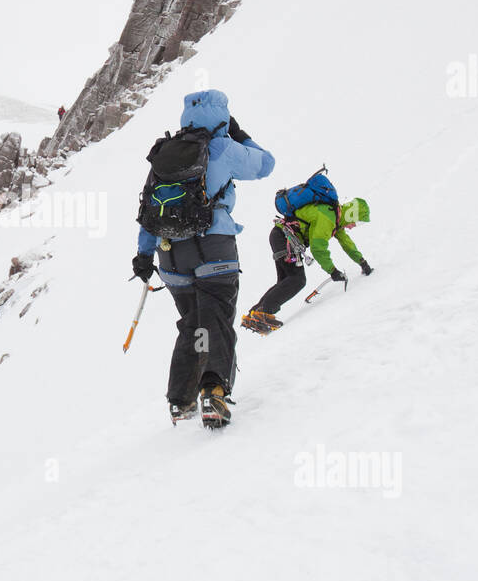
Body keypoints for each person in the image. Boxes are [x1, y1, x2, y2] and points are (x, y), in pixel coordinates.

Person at [132, 89, 275, 426]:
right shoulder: (223, 147)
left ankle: (181, 400)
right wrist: (241, 135)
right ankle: (214, 391)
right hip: (213, 253)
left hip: (171, 260)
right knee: (216, 322)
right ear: (223, 115)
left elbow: (150, 209)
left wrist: (143, 254)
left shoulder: (165, 154)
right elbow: (266, 164)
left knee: (193, 324)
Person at [241, 197, 372, 334]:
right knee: (297, 280)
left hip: (280, 235)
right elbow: (318, 248)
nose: (353, 226)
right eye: (356, 222)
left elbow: (347, 244)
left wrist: (362, 262)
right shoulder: (327, 218)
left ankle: (254, 314)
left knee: (287, 281)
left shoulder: (335, 219)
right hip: (285, 238)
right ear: (351, 214)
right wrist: (332, 271)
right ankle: (263, 314)